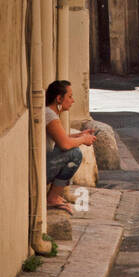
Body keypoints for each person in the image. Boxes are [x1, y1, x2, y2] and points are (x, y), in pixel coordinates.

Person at [44, 80, 96, 213]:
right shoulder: (49, 115)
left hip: (44, 163)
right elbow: (65, 144)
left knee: (73, 150)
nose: (73, 101)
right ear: (59, 98)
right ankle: (52, 197)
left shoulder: (50, 113)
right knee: (75, 154)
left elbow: (62, 138)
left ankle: (54, 196)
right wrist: (83, 139)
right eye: (70, 97)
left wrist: (79, 135)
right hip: (42, 168)